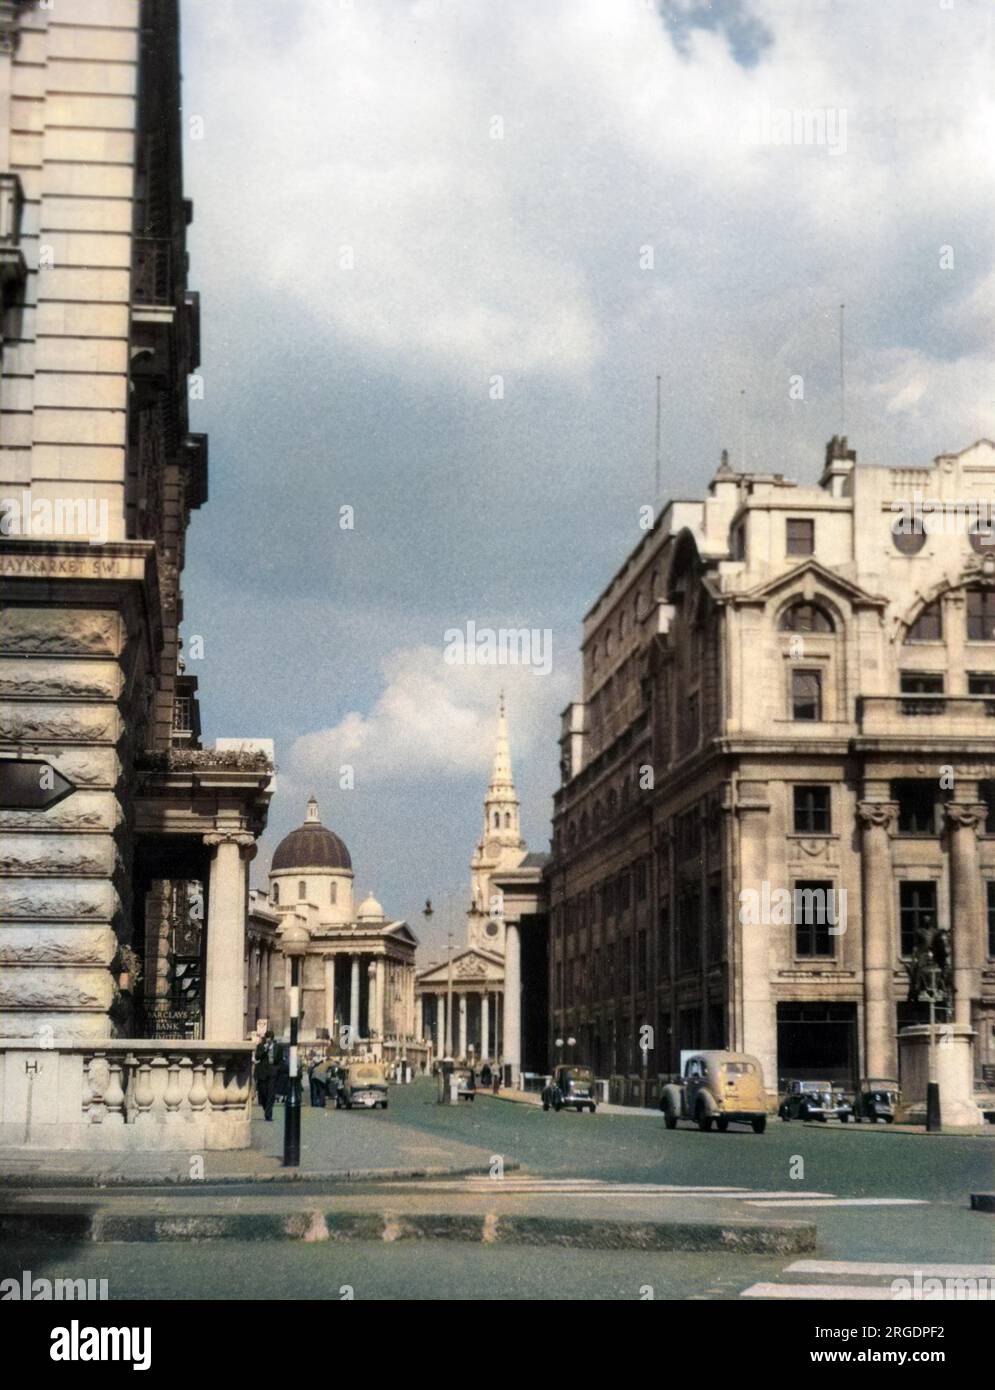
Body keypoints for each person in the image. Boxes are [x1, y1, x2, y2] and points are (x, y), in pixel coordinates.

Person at [254, 1031, 282, 1121]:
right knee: (263, 1094)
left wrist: (277, 1068)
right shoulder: (261, 1046)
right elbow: (257, 1057)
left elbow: (280, 1060)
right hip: (263, 1072)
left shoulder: (278, 1047)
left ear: (272, 1039)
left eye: (270, 1038)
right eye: (267, 1038)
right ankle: (266, 1108)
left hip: (272, 1072)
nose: (268, 1040)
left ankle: (268, 1114)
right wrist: (265, 1049)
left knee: (271, 1094)